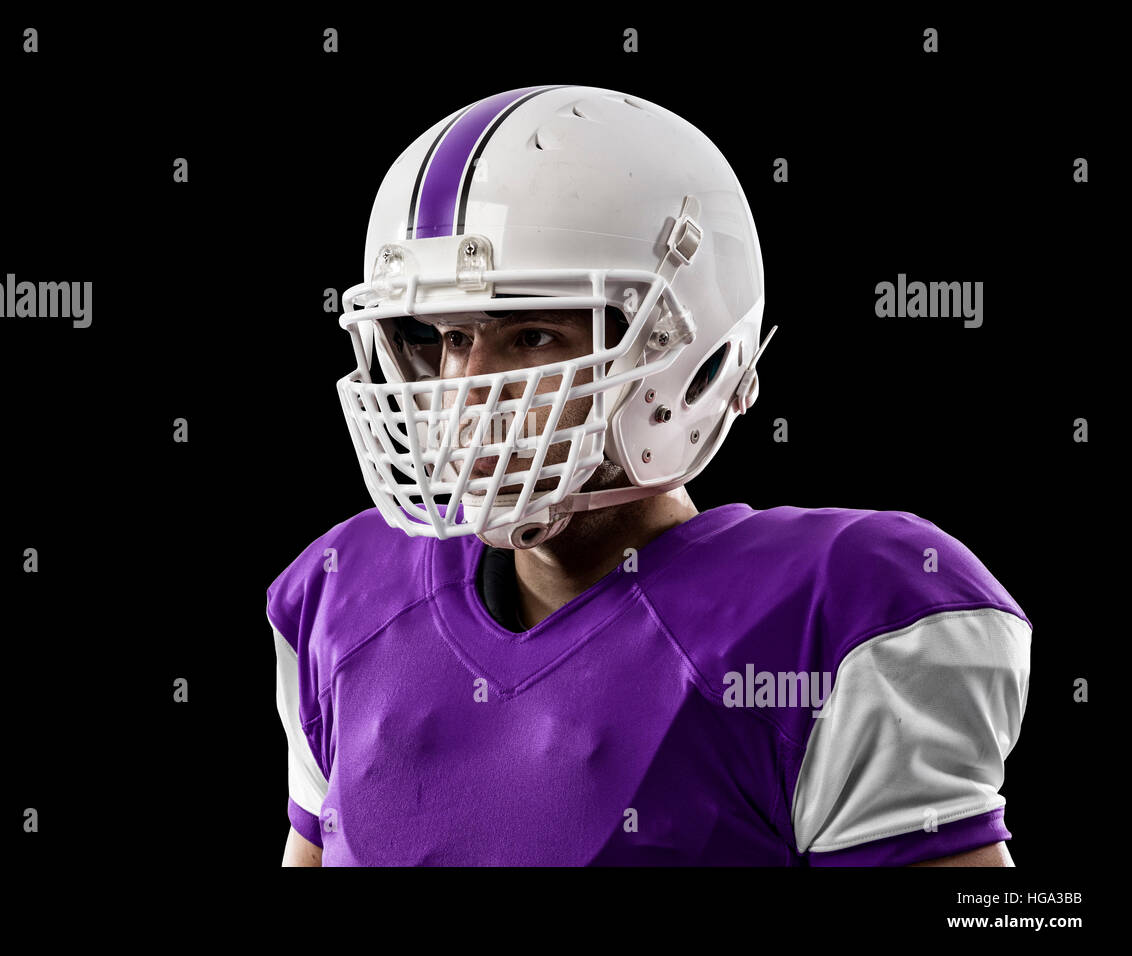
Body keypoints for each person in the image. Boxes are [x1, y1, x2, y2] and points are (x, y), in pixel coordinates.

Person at [271, 85, 1030, 866]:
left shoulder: (840, 609)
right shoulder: (345, 594)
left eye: (532, 335)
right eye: (449, 337)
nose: (470, 394)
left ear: (687, 354)